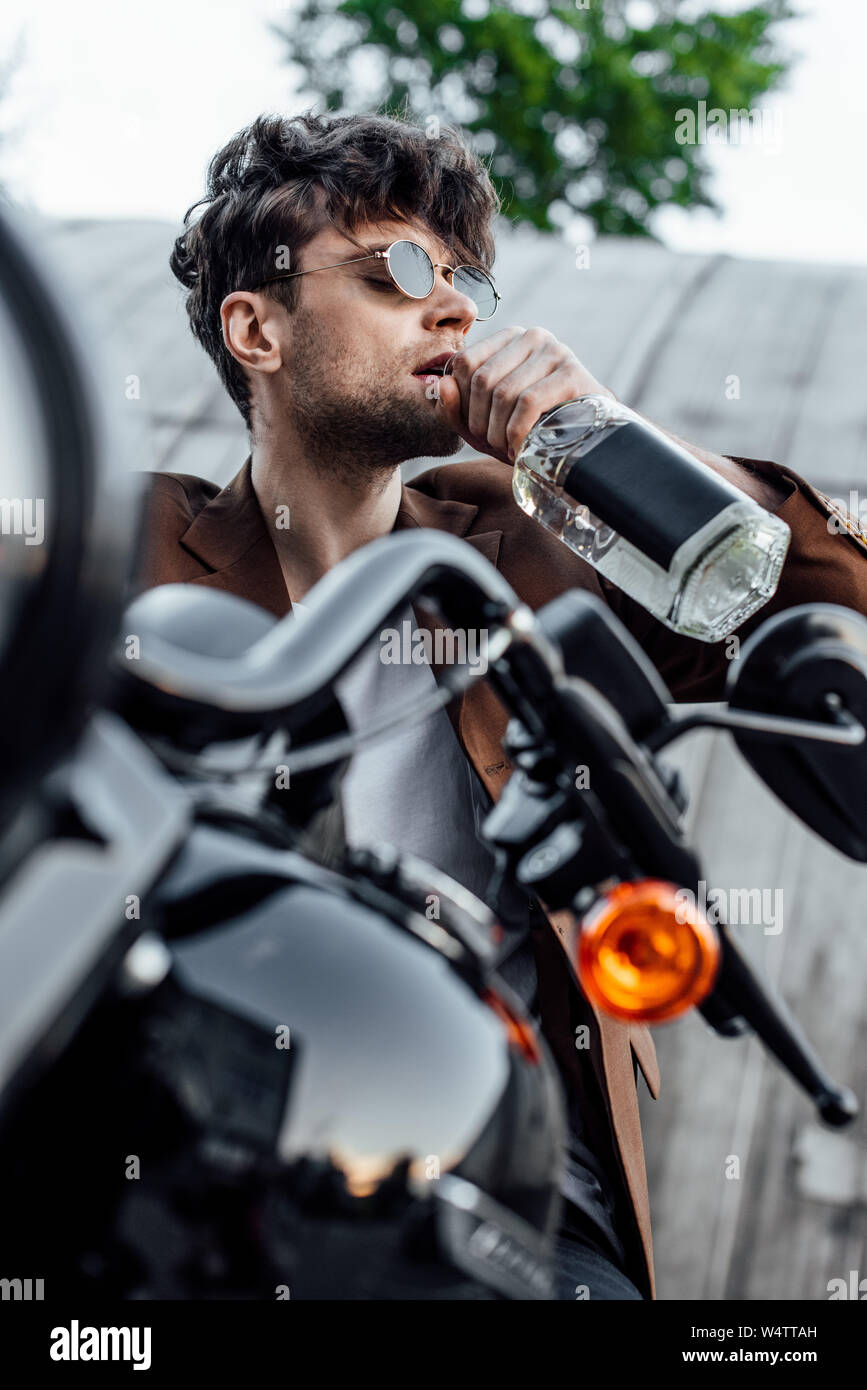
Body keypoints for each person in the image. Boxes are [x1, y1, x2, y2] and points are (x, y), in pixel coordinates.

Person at [135, 110, 867, 1300]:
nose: (456, 308)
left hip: (516, 1188)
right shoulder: (137, 547)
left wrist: (615, 444)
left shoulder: (539, 548)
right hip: (210, 1170)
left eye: (467, 278)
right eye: (399, 271)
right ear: (255, 326)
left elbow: (837, 589)